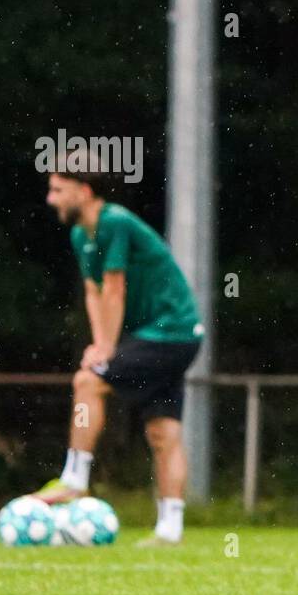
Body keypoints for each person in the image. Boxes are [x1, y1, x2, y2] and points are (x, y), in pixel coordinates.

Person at [37, 151, 204, 546]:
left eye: (58, 189)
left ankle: (75, 479)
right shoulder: (82, 234)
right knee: (163, 432)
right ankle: (170, 529)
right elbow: (94, 292)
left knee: (87, 382)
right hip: (161, 336)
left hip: (172, 331)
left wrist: (106, 352)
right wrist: (101, 344)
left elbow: (115, 287)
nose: (51, 199)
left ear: (85, 190)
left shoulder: (113, 221)